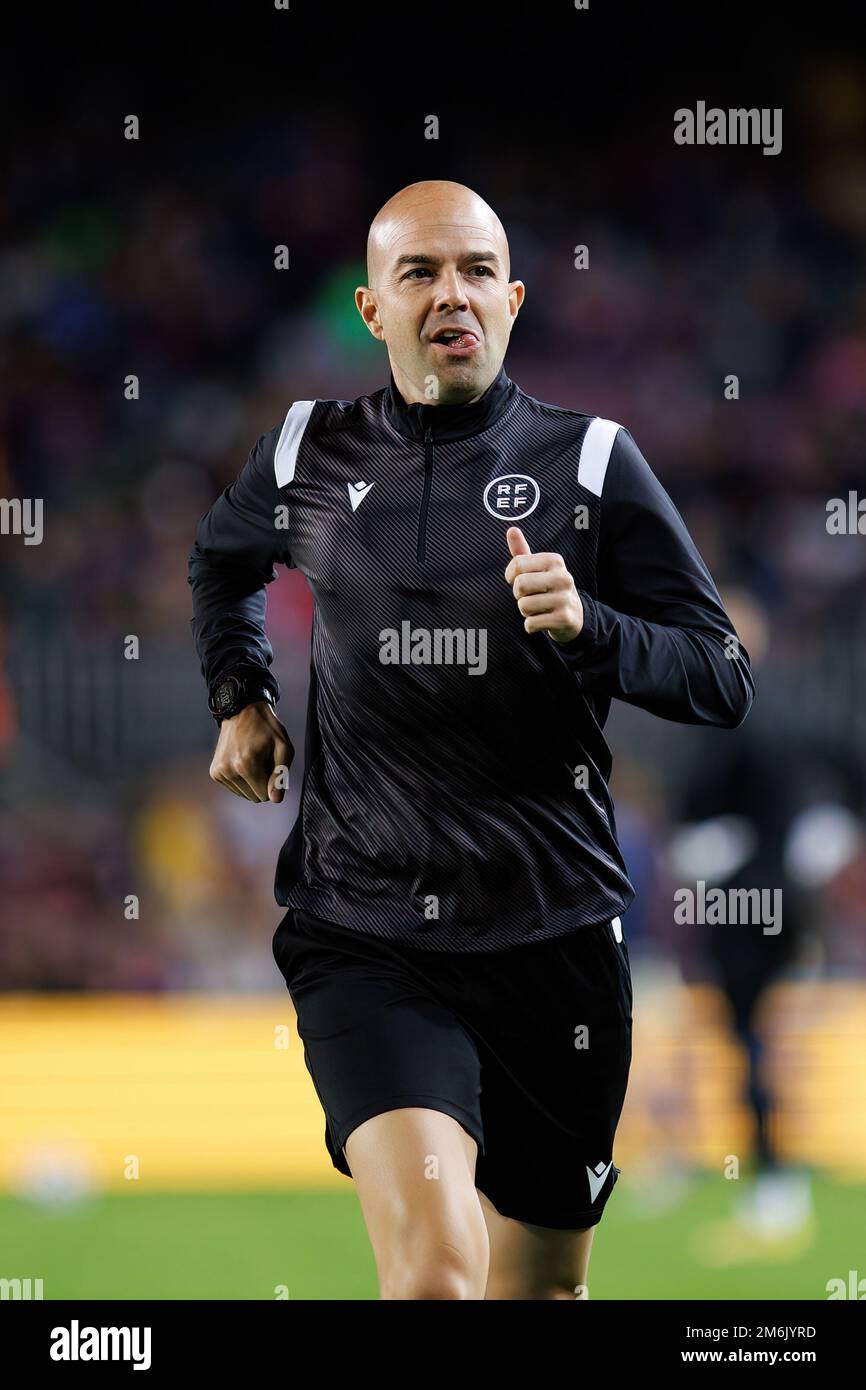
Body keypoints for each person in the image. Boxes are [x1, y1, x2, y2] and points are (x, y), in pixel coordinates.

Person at [188, 179, 754, 1299]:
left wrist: (594, 627)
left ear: (511, 298)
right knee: (440, 1275)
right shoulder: (305, 451)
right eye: (420, 272)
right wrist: (238, 693)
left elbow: (720, 674)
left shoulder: (591, 462)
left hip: (555, 936)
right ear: (371, 308)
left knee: (537, 1285)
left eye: (475, 271)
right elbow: (220, 561)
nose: (451, 293)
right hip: (364, 927)